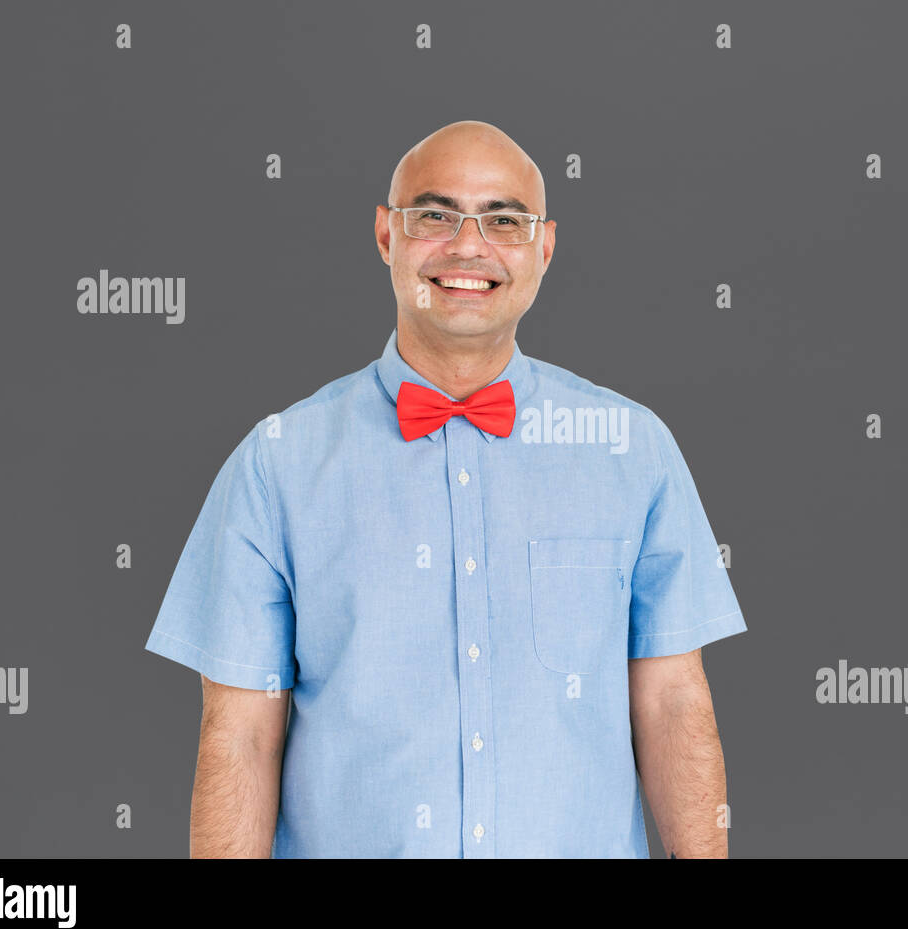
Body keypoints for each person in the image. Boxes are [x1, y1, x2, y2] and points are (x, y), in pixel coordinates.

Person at [144, 120, 747, 858]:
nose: (469, 246)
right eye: (434, 216)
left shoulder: (634, 449)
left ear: (544, 248)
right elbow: (238, 733)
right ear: (384, 236)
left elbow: (673, 701)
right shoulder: (276, 465)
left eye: (504, 220)